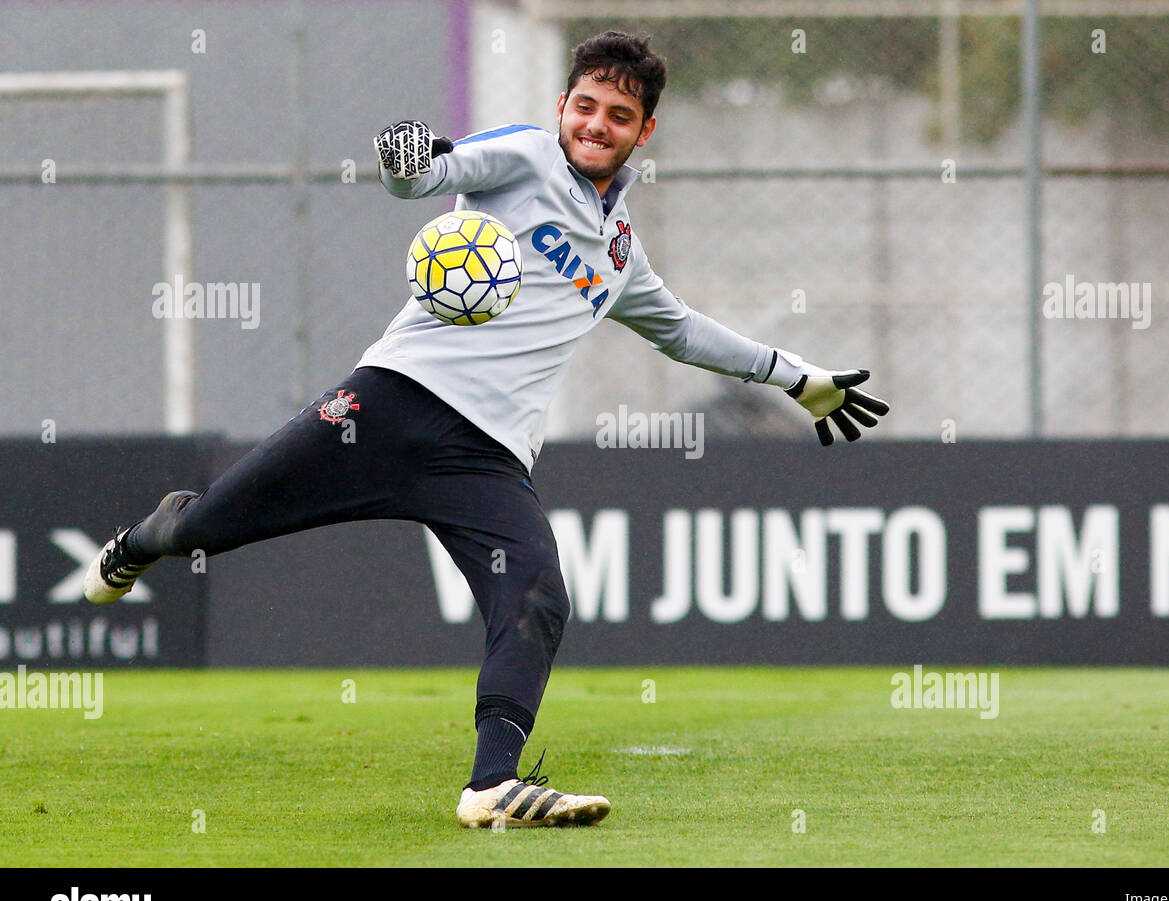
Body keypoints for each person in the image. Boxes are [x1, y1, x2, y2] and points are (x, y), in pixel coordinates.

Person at [83, 30, 889, 829]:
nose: (595, 124)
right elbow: (434, 172)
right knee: (208, 529)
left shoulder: (618, 254)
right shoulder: (529, 156)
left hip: (485, 458)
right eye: (584, 105)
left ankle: (492, 784)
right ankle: (154, 532)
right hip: (389, 406)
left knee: (537, 595)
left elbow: (680, 331)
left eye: (618, 113)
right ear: (563, 107)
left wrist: (797, 377)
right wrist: (406, 163)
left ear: (644, 132)